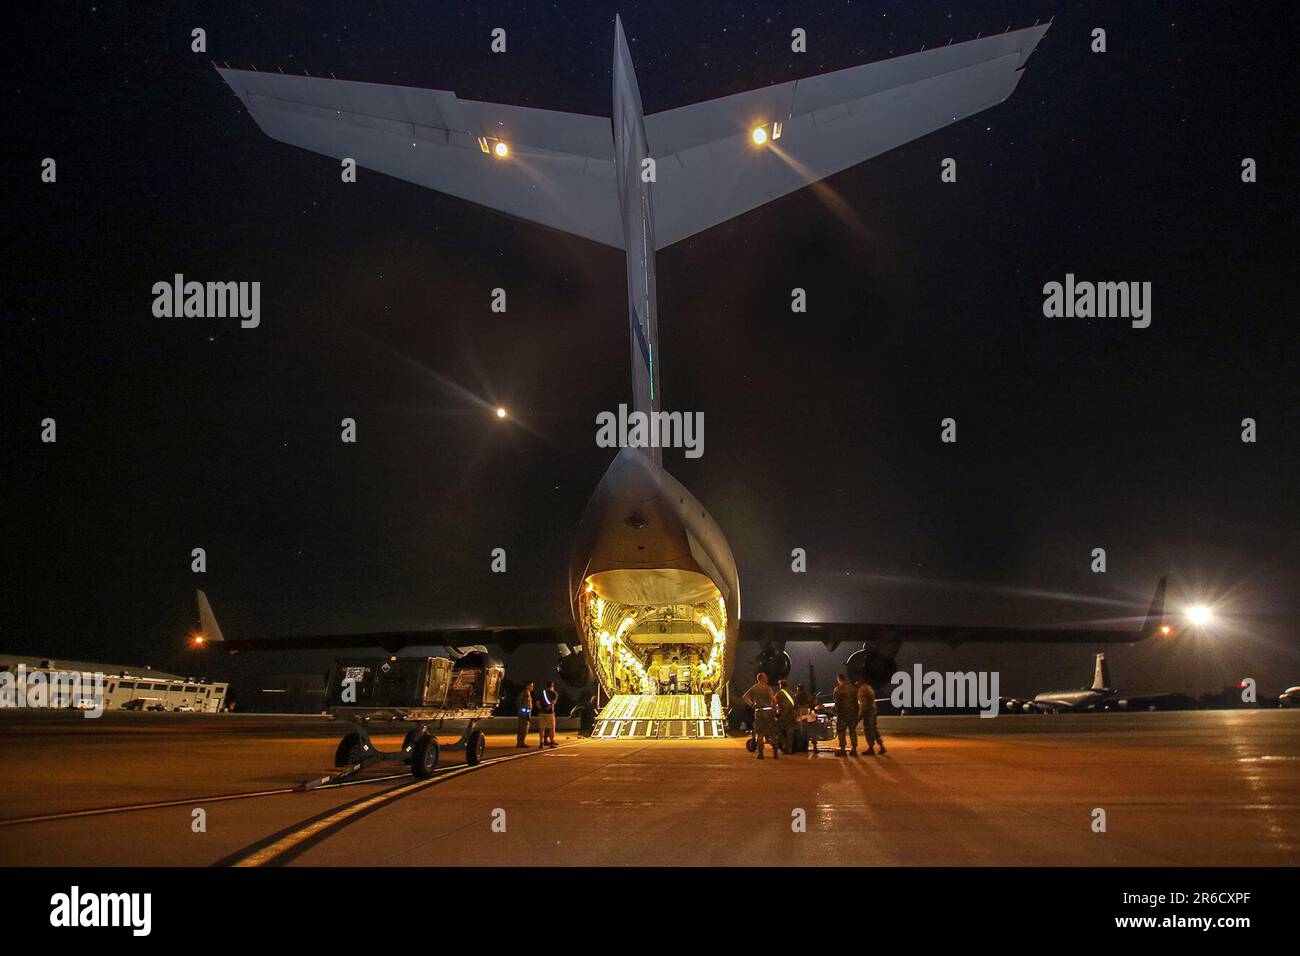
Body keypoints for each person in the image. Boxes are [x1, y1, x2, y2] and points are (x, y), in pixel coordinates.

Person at [742, 672, 779, 759]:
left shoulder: (754, 688)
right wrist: (775, 708)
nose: (767, 678)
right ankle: (775, 752)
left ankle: (760, 753)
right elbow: (773, 700)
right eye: (765, 677)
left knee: (760, 733)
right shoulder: (768, 688)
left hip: (759, 712)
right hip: (768, 712)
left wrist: (751, 704)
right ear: (761, 678)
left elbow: (745, 696)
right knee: (771, 732)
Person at [857, 680, 886, 755]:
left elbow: (864, 705)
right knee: (874, 729)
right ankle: (881, 746)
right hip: (873, 710)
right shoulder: (869, 688)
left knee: (868, 730)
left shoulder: (862, 690)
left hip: (868, 712)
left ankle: (871, 748)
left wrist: (858, 717)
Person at [832, 674, 858, 757]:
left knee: (841, 731)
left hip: (843, 714)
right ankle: (854, 749)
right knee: (852, 731)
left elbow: (837, 703)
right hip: (852, 713)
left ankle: (843, 750)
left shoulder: (838, 689)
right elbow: (856, 702)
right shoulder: (853, 689)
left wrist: (835, 712)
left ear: (839, 679)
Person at [774, 679, 798, 755]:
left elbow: (773, 703)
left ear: (781, 685)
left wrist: (775, 712)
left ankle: (784, 746)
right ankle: (790, 749)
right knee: (790, 732)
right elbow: (795, 704)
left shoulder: (779, 694)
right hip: (792, 715)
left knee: (778, 731)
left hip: (783, 715)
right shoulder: (791, 693)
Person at [794, 682, 817, 754]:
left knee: (802, 732)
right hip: (810, 714)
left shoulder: (797, 695)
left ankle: (803, 747)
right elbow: (813, 703)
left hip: (801, 714)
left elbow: (795, 705)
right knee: (813, 732)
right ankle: (815, 747)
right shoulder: (808, 695)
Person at [536, 680, 559, 748]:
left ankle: (541, 743)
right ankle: (552, 742)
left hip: (541, 713)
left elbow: (537, 703)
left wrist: (541, 708)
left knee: (541, 728)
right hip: (549, 713)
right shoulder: (554, 693)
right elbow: (552, 703)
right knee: (552, 728)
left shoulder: (542, 693)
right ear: (552, 686)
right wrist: (548, 708)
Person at [515, 681, 534, 748]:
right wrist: (525, 711)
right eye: (531, 686)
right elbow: (522, 703)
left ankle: (521, 742)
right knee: (523, 728)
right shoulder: (525, 693)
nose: (532, 687)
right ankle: (521, 743)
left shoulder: (526, 693)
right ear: (527, 686)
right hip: (524, 713)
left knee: (524, 728)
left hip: (525, 713)